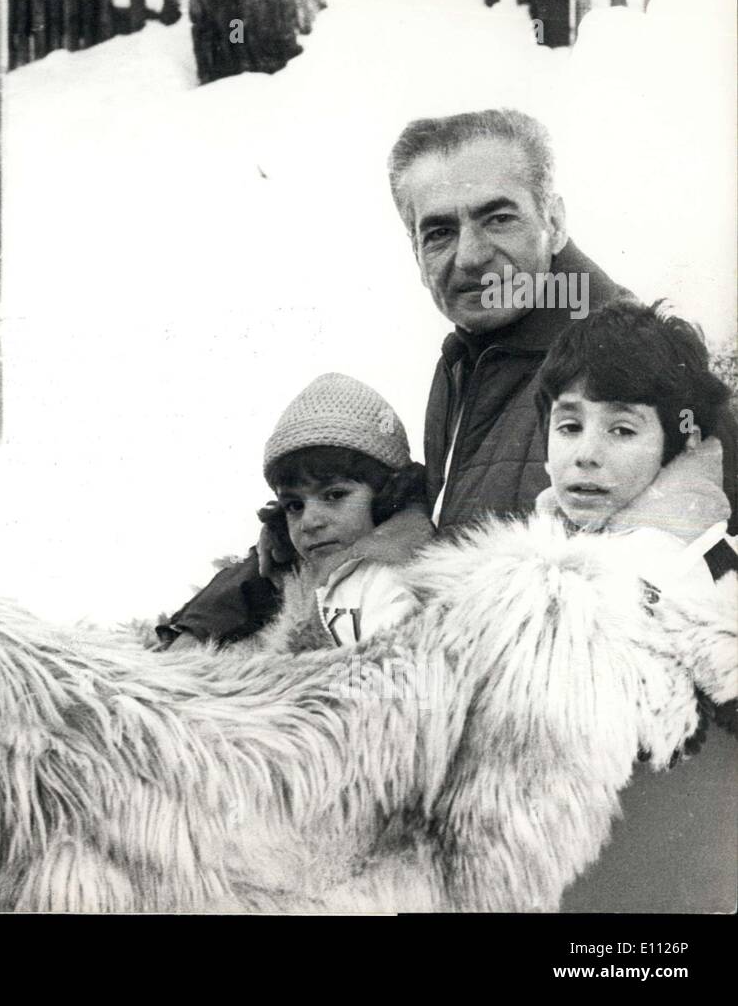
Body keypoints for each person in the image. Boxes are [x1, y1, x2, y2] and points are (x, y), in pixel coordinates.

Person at [158, 107, 634, 649]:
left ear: (555, 221)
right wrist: (216, 611)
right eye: (438, 232)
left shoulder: (626, 363)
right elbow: (429, 519)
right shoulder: (471, 356)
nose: (471, 256)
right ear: (414, 250)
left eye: (498, 218)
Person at [531, 298, 737, 912]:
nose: (585, 454)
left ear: (681, 441)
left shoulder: (675, 555)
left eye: (622, 429)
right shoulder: (574, 534)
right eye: (569, 425)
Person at [219, 373, 427, 655]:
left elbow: (390, 681)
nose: (310, 523)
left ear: (386, 496)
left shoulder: (388, 581)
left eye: (334, 495)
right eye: (294, 506)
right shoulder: (305, 580)